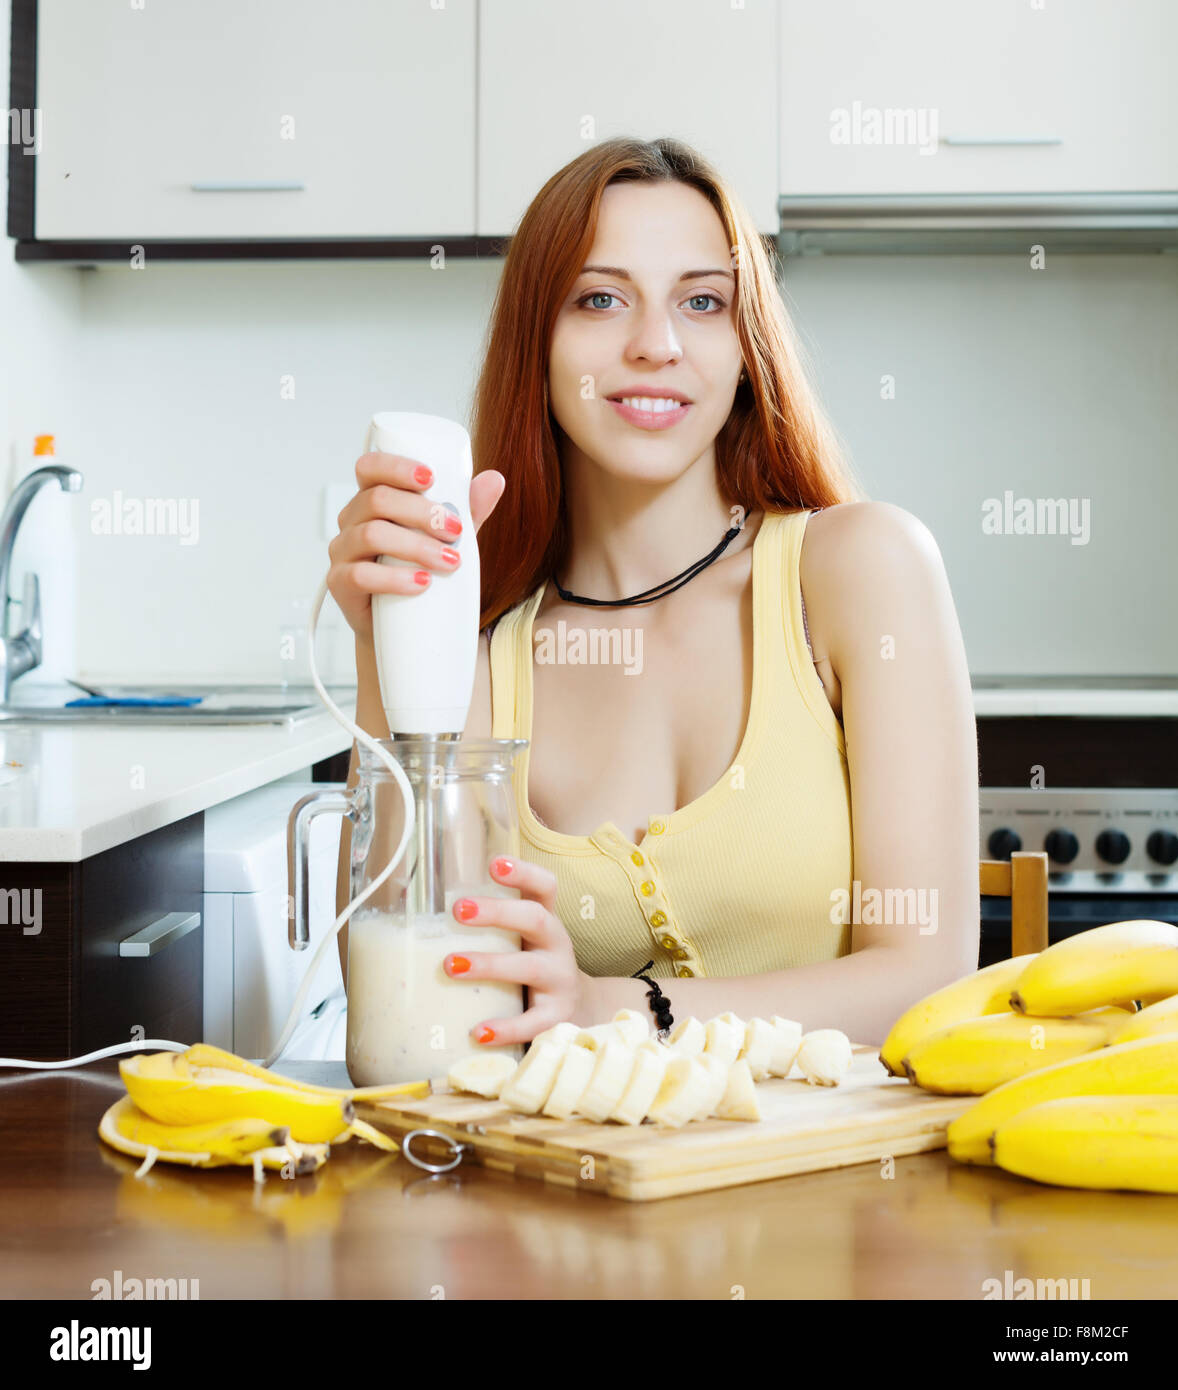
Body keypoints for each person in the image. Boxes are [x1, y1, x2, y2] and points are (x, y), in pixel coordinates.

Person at [329, 137, 979, 1049]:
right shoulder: (478, 643)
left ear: (748, 349)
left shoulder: (861, 570)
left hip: (839, 1187)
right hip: (560, 1188)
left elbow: (929, 978)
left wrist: (619, 1010)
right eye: (600, 298)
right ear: (537, 343)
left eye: (702, 302)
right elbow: (415, 1026)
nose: (654, 345)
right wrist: (388, 638)